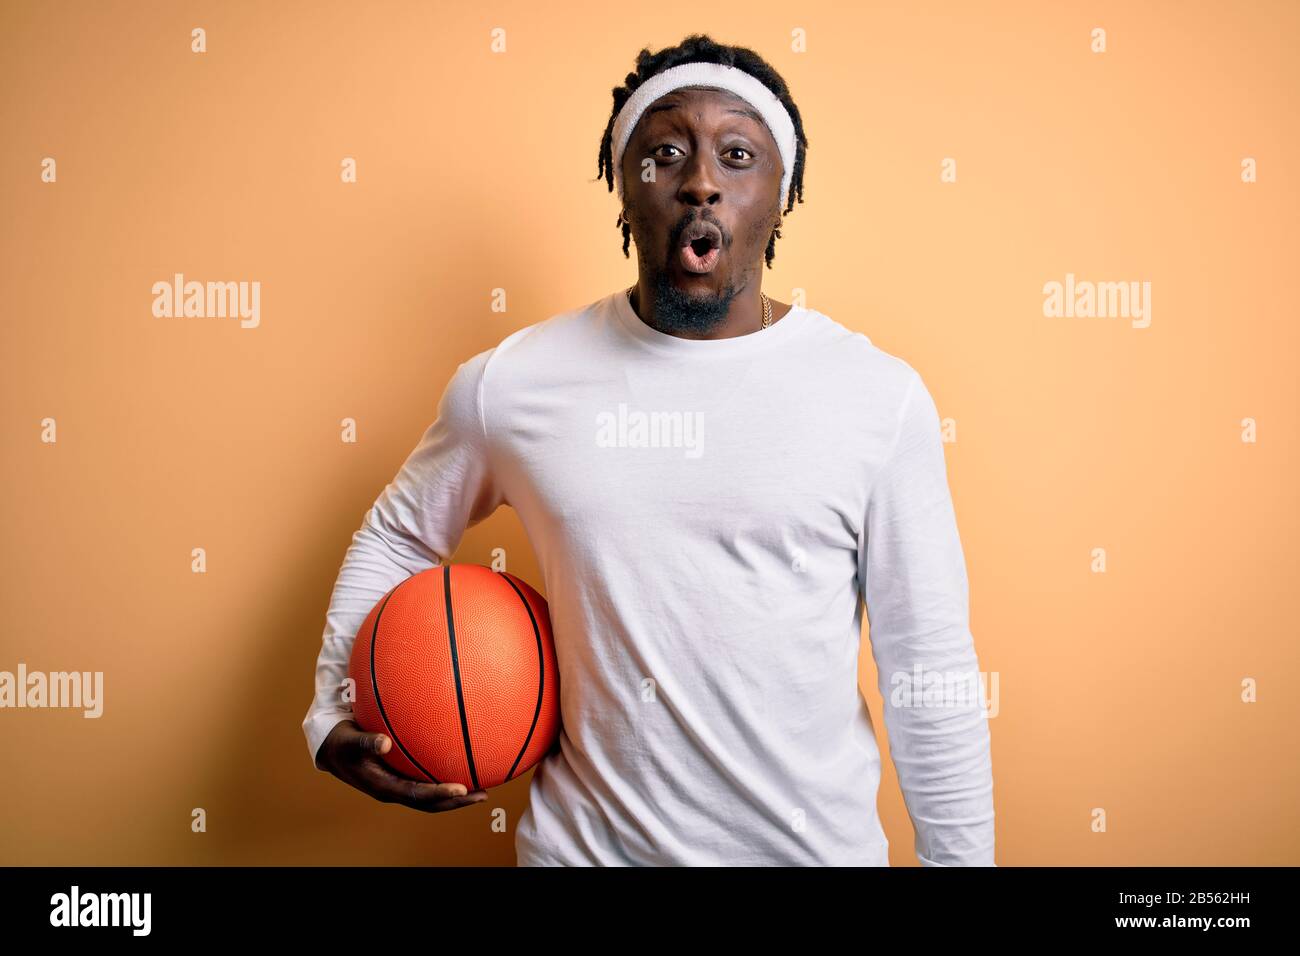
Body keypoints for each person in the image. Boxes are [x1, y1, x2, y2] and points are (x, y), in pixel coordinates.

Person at [304, 33, 996, 866]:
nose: (701, 179)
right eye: (665, 153)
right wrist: (332, 707)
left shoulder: (876, 398)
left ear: (784, 194)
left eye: (738, 155)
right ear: (623, 186)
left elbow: (930, 671)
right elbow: (398, 535)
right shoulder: (515, 384)